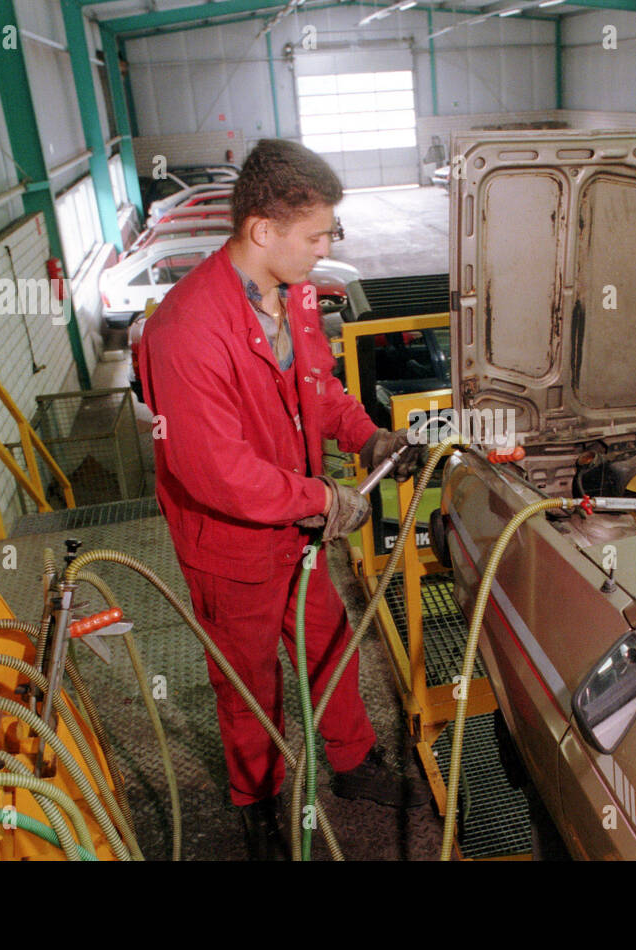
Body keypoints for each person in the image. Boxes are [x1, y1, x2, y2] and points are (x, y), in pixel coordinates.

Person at [137, 139, 427, 860]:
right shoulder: (185, 330)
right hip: (231, 544)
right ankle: (257, 803)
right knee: (247, 681)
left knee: (330, 646)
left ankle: (353, 763)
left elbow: (318, 387)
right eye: (318, 234)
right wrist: (324, 500)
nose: (327, 247)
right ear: (263, 230)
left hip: (295, 528)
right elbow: (216, 473)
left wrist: (365, 436)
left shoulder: (293, 292)